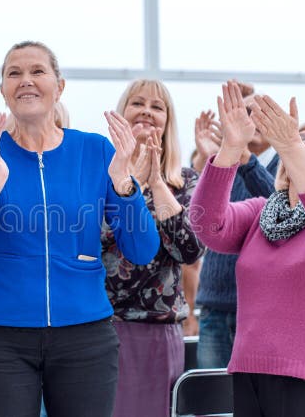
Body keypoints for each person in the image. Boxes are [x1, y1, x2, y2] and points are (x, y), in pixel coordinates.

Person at [0, 41, 160, 417]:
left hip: (85, 336)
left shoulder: (97, 151)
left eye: (37, 71)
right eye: (13, 73)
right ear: (3, 89)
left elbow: (142, 249)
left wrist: (124, 184)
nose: (26, 81)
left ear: (60, 85)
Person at [190, 81, 305, 417]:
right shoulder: (260, 211)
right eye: (300, 138)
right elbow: (205, 224)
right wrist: (230, 148)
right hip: (251, 372)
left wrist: (290, 144)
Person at [101, 79, 203, 417]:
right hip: (96, 327)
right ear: (122, 113)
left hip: (156, 332)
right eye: (137, 103)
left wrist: (156, 183)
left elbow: (189, 251)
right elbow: (85, 237)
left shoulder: (186, 181)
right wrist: (130, 187)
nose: (146, 111)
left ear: (168, 121)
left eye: (157, 107)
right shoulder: (99, 175)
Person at [189, 86, 280, 369]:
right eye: (246, 112)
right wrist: (207, 162)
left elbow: (278, 205)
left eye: (259, 112)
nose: (251, 119)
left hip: (259, 309)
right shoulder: (224, 163)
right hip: (215, 305)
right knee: (213, 402)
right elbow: (200, 217)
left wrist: (246, 161)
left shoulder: (286, 165)